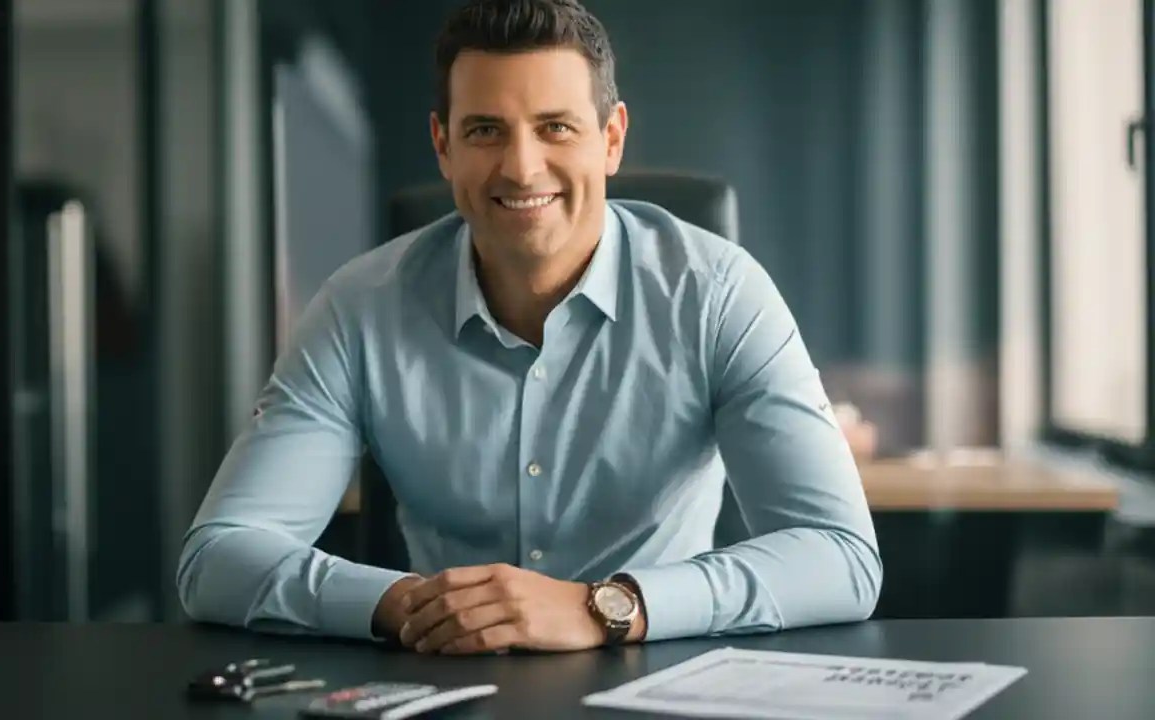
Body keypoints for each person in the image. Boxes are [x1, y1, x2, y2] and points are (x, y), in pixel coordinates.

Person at [179, 0, 881, 654]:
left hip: (658, 674)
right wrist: (414, 605)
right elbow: (219, 556)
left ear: (611, 139)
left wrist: (602, 608)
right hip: (444, 675)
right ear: (443, 145)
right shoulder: (358, 308)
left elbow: (840, 557)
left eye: (556, 128)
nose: (520, 168)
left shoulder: (719, 294)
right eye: (485, 130)